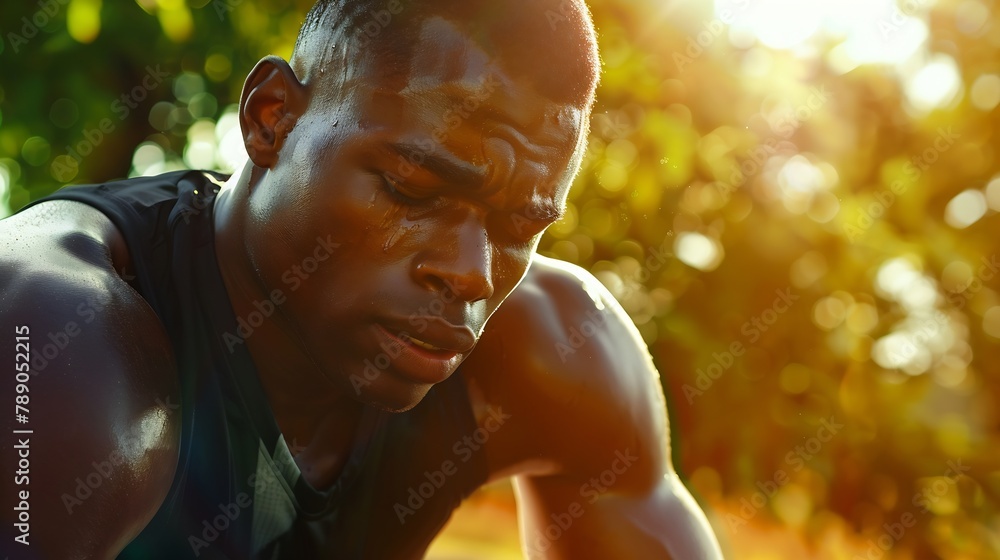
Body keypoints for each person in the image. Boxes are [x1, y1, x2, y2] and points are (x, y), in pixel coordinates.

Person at [0, 0, 724, 558]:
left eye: (517, 228)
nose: (471, 274)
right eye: (411, 190)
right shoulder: (58, 342)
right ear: (272, 118)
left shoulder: (558, 353)